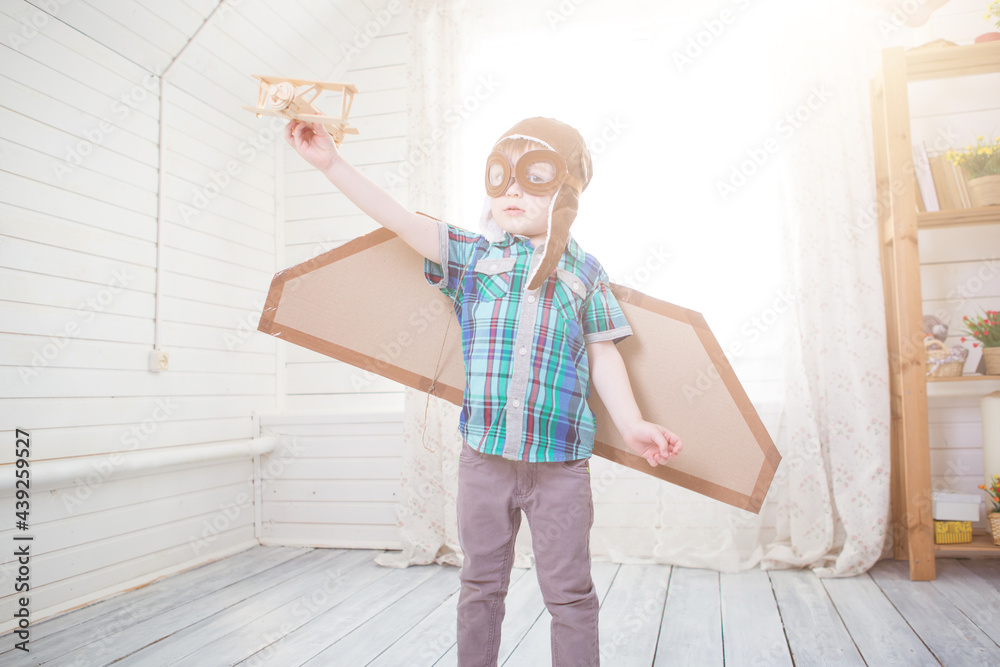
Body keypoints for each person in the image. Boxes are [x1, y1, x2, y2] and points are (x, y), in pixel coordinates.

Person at [284, 116, 682, 667]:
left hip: (560, 463)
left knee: (570, 594)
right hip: (484, 457)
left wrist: (635, 424)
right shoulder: (472, 255)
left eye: (532, 177)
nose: (512, 191)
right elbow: (399, 220)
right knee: (479, 585)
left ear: (565, 191)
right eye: (501, 177)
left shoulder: (585, 272)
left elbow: (603, 352)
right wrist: (332, 163)